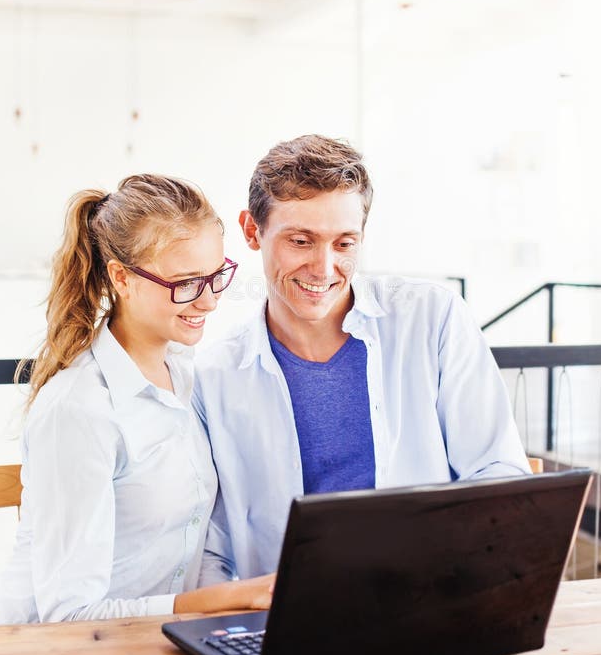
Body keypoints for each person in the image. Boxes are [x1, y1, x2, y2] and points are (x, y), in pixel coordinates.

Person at [194, 134, 531, 583]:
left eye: (344, 244)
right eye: (301, 241)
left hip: (430, 595)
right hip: (289, 614)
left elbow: (497, 471)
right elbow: (212, 547)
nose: (323, 268)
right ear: (252, 231)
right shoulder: (214, 377)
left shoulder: (433, 319)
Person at [0, 174, 272, 624]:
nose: (209, 302)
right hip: (53, 652)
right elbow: (68, 616)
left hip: (151, 642)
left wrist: (229, 611)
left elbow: (191, 544)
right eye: (186, 283)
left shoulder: (185, 375)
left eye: (215, 276)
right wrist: (225, 600)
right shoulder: (79, 410)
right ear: (122, 278)